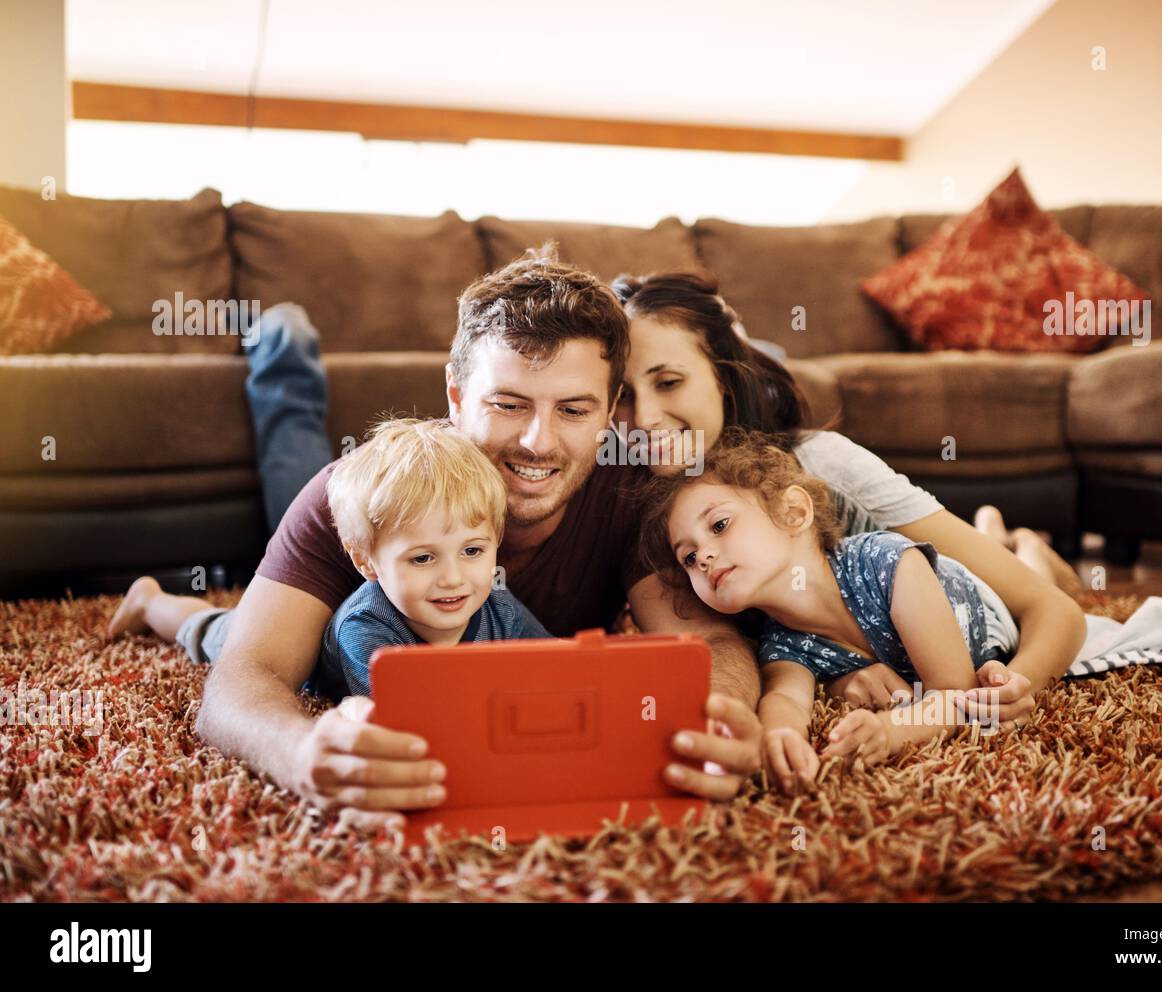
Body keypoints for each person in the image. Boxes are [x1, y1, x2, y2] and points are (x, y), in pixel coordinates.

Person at [111, 249, 767, 833]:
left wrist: (723, 712)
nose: (539, 442)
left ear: (610, 406)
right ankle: (161, 595)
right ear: (456, 395)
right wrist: (301, 751)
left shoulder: (631, 494)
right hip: (343, 579)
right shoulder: (350, 493)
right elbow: (241, 682)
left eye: (573, 409)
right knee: (231, 624)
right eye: (507, 403)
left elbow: (708, 642)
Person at [609, 271, 1086, 720]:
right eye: (624, 395)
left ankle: (1020, 545)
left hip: (963, 596)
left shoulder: (827, 466)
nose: (645, 416)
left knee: (1020, 582)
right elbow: (740, 652)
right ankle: (997, 534)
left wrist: (1009, 690)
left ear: (723, 377)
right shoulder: (643, 508)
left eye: (669, 381)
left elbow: (1052, 612)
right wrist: (839, 674)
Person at [640, 429, 1028, 794]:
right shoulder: (783, 642)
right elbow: (786, 700)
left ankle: (1020, 544)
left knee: (1035, 569)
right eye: (688, 556)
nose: (703, 556)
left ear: (793, 511)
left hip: (991, 607)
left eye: (719, 525)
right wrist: (781, 737)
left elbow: (959, 695)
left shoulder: (888, 564)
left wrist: (891, 730)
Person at [110, 418, 551, 699]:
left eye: (472, 551)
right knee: (212, 630)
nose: (454, 578)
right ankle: (150, 600)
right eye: (422, 559)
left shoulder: (501, 610)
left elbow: (558, 668)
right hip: (299, 641)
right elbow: (410, 716)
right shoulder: (366, 628)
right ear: (366, 563)